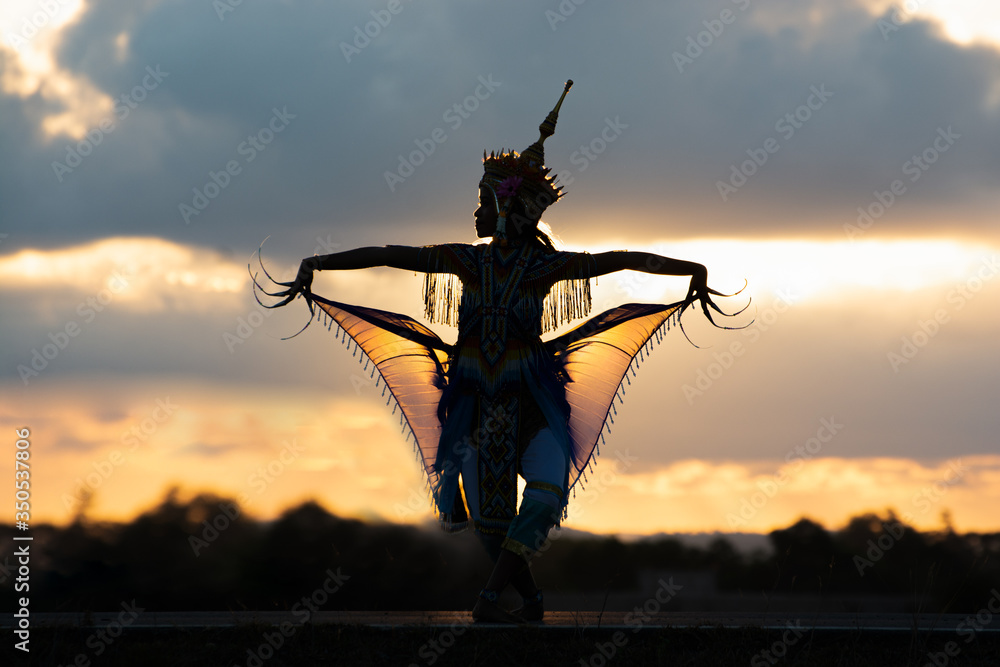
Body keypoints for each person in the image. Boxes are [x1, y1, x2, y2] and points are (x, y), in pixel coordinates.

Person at [256, 80, 743, 623]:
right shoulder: (468, 260)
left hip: (531, 399)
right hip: (476, 402)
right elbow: (393, 255)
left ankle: (490, 599)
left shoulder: (545, 267)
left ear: (506, 206)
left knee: (543, 497)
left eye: (483, 202)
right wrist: (319, 262)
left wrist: (689, 269)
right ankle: (528, 601)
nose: (476, 213)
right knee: (491, 521)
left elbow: (620, 258)